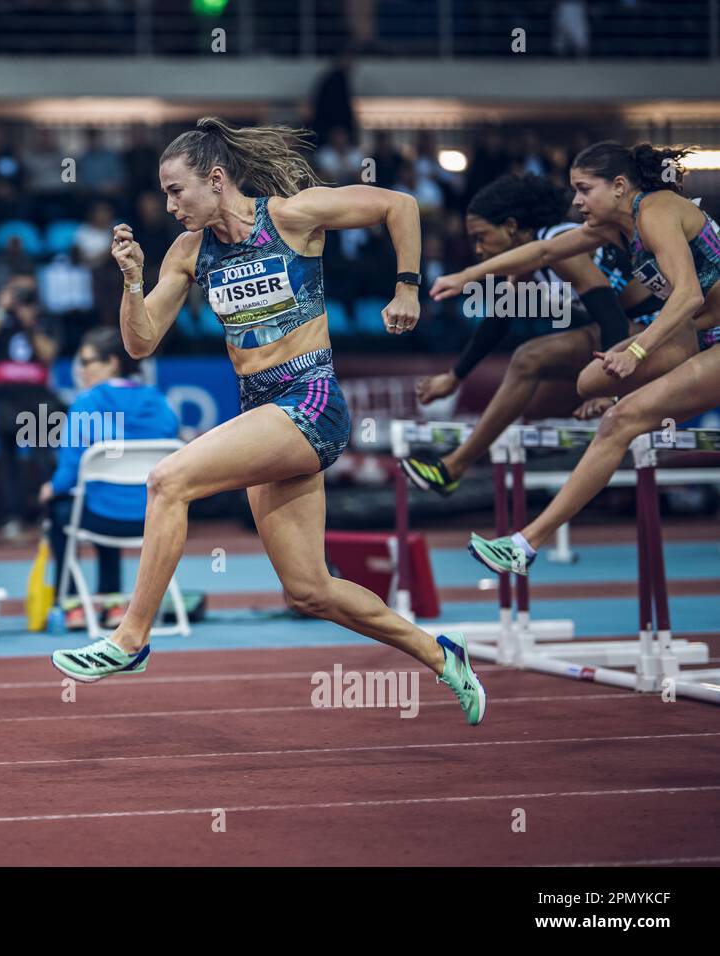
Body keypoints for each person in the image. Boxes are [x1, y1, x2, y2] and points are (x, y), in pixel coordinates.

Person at [49, 116, 486, 726]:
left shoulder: (291, 217)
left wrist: (407, 287)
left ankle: (130, 640)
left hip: (311, 402)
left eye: (177, 190)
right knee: (309, 590)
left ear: (217, 179)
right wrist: (131, 283)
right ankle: (441, 654)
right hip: (264, 412)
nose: (169, 204)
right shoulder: (189, 252)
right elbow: (141, 343)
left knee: (167, 481)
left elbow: (401, 205)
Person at [456, 143, 720, 574]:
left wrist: (637, 351)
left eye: (583, 189)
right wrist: (462, 277)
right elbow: (542, 253)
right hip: (699, 335)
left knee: (619, 422)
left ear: (618, 186)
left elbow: (689, 293)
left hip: (701, 332)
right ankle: (527, 542)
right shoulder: (620, 228)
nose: (575, 201)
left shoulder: (657, 211)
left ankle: (525, 543)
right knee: (589, 382)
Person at [399, 173, 651, 495]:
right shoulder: (527, 263)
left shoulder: (562, 245)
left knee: (529, 358)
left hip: (653, 329)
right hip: (626, 332)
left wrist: (609, 388)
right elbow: (497, 321)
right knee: (531, 401)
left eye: (481, 237)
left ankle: (454, 467)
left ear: (511, 228)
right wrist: (454, 377)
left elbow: (612, 319)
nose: (477, 249)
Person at [38, 326, 179, 626]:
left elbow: (69, 471)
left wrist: (50, 489)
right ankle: (113, 602)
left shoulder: (85, 403)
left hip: (103, 516)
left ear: (112, 362)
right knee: (104, 494)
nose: (81, 370)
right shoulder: (160, 403)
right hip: (151, 518)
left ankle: (72, 604)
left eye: (87, 362)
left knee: (64, 506)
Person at [0, 273, 63, 540]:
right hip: (5, 401)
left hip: (38, 403)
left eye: (25, 291)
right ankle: (12, 519)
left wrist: (31, 326)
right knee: (8, 464)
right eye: (15, 290)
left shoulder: (46, 320)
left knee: (43, 461)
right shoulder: (0, 320)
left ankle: (49, 517)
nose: (20, 296)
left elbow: (48, 354)